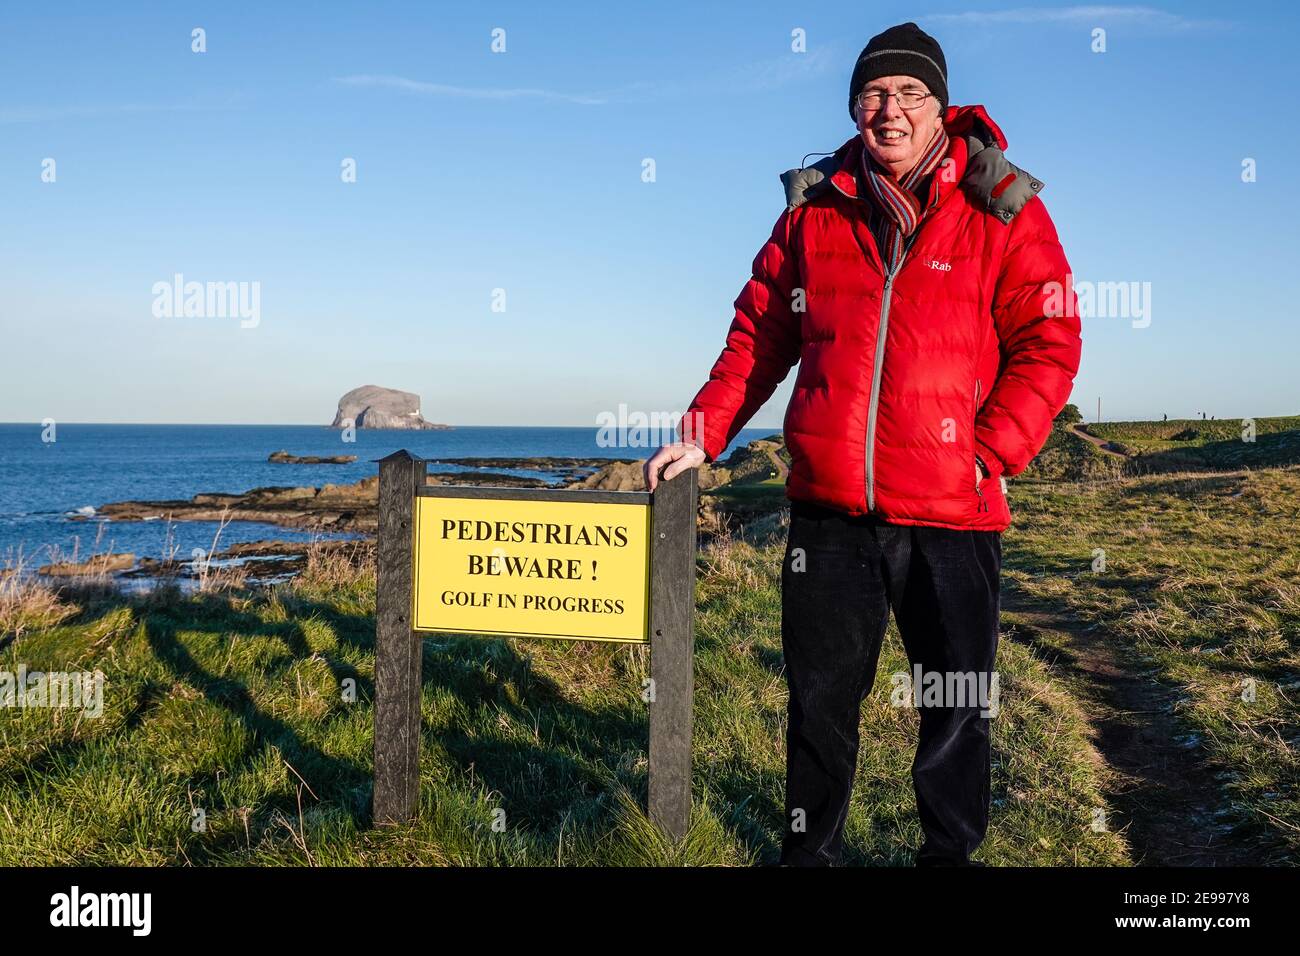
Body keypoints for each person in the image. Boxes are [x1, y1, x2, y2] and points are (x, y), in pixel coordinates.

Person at [645, 22, 1082, 866]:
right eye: (873, 94)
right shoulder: (815, 209)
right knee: (819, 702)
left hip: (955, 512)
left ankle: (946, 856)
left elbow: (1051, 339)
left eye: (909, 93)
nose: (890, 110)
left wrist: (987, 453)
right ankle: (811, 855)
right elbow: (759, 334)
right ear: (854, 106)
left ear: (941, 107)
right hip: (830, 513)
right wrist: (704, 433)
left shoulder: (1003, 204)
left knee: (954, 704)